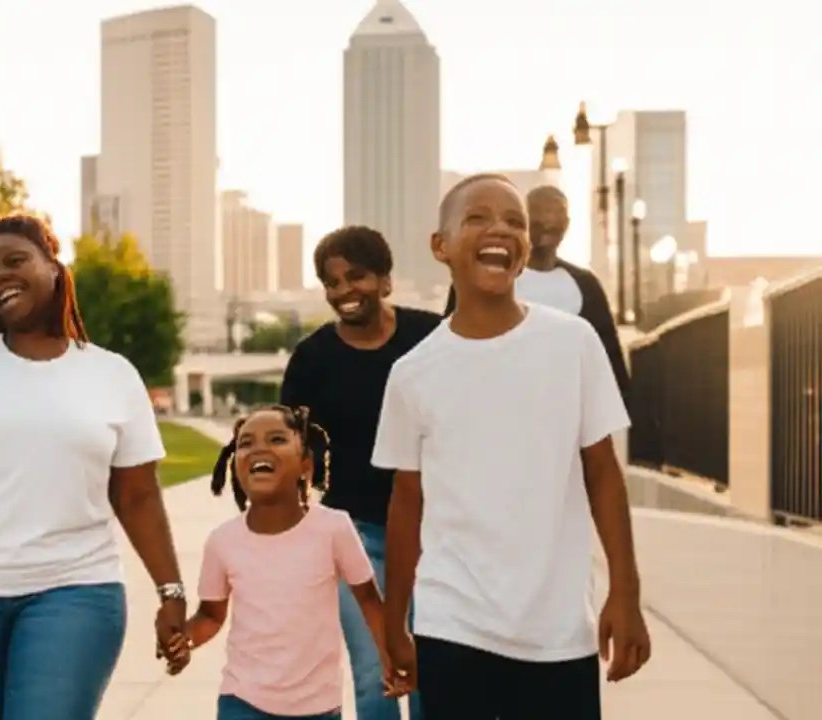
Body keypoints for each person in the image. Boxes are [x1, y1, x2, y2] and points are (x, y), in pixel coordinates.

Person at [0, 213, 187, 720]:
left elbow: (137, 496)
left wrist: (170, 591)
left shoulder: (112, 375)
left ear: (54, 267)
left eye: (15, 260)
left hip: (76, 591)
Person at [375, 174, 651, 719]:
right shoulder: (413, 374)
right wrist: (395, 624)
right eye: (477, 218)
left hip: (557, 629)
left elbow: (602, 473)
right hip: (452, 621)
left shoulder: (572, 343)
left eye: (514, 221)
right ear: (441, 246)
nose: (499, 229)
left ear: (524, 252)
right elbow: (407, 503)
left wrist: (626, 591)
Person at [279, 226, 438, 720]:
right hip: (356, 538)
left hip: (437, 538)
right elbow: (290, 454)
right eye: (332, 282)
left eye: (357, 276)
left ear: (385, 280)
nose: (344, 290)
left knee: (437, 674)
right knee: (377, 676)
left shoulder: (432, 338)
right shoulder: (312, 359)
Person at [161, 405, 405, 720]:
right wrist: (184, 640)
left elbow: (369, 601)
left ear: (305, 465)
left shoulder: (334, 528)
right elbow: (210, 615)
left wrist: (391, 656)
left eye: (276, 439)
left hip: (318, 706)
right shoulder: (223, 541)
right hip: (242, 700)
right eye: (246, 442)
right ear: (236, 465)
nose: (259, 448)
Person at [442, 185, 630, 401]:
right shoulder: (481, 277)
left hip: (565, 409)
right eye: (539, 221)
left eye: (555, 220)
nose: (547, 224)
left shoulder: (585, 285)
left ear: (566, 226)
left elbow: (609, 361)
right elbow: (449, 345)